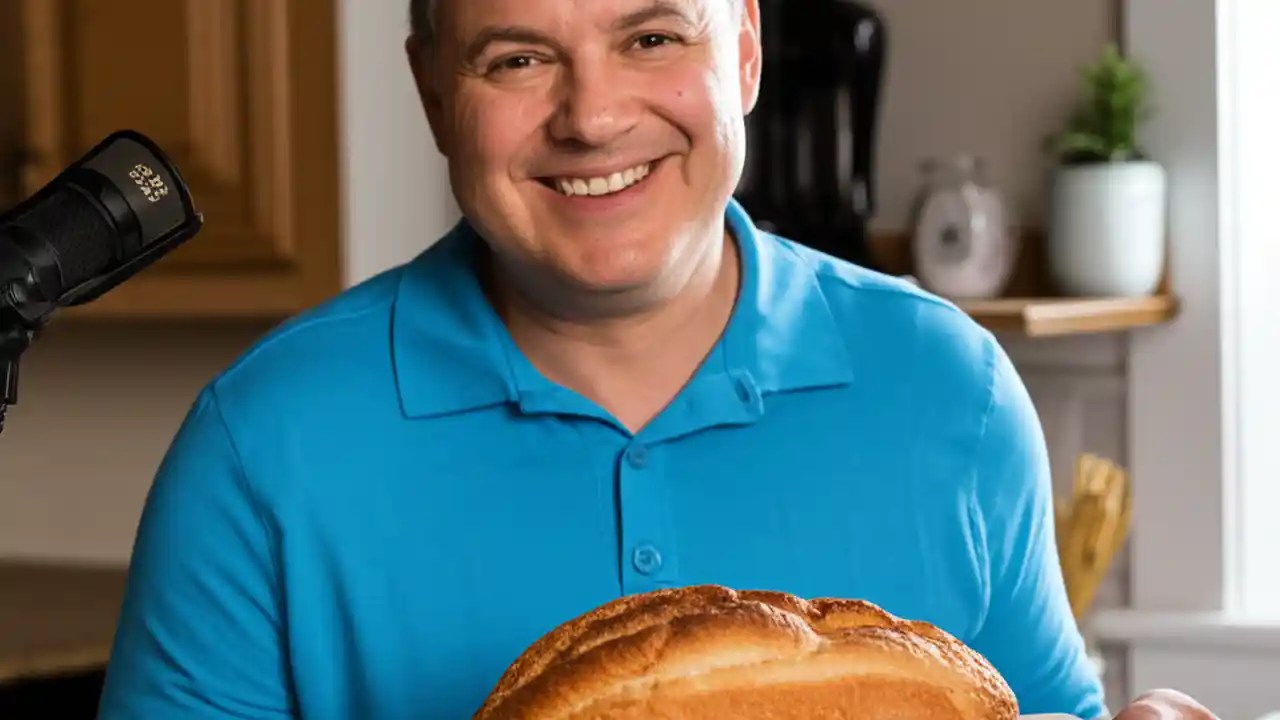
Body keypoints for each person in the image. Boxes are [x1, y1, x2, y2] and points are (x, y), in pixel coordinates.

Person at [96, 0, 1219, 718]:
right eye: (518, 57)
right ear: (435, 92)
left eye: (650, 37)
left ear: (742, 50)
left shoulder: (948, 392)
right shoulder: (263, 449)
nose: (591, 117)